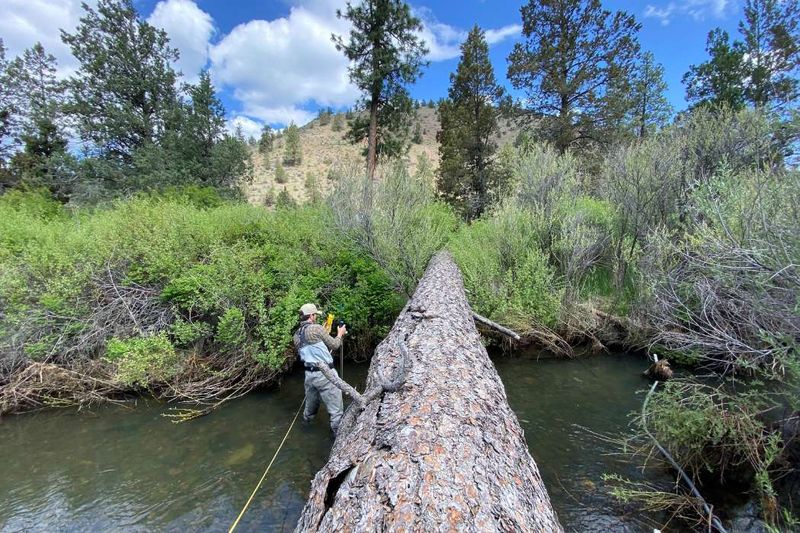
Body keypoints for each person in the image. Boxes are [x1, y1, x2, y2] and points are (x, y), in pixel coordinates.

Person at [293, 303, 347, 434]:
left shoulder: (296, 335)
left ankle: (305, 429)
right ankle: (337, 437)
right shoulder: (317, 329)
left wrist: (322, 333)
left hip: (309, 376)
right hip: (325, 375)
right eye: (315, 315)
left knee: (310, 409)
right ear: (311, 316)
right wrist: (340, 333)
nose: (316, 317)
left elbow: (312, 346)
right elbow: (334, 345)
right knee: (336, 412)